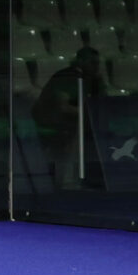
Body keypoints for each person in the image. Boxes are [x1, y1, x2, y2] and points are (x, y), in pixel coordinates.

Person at [31, 46, 105, 190]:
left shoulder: (94, 81)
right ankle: (63, 183)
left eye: (97, 63)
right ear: (81, 62)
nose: (96, 66)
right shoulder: (68, 77)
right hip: (54, 124)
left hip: (79, 125)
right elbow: (62, 107)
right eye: (92, 63)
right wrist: (86, 113)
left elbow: (101, 104)